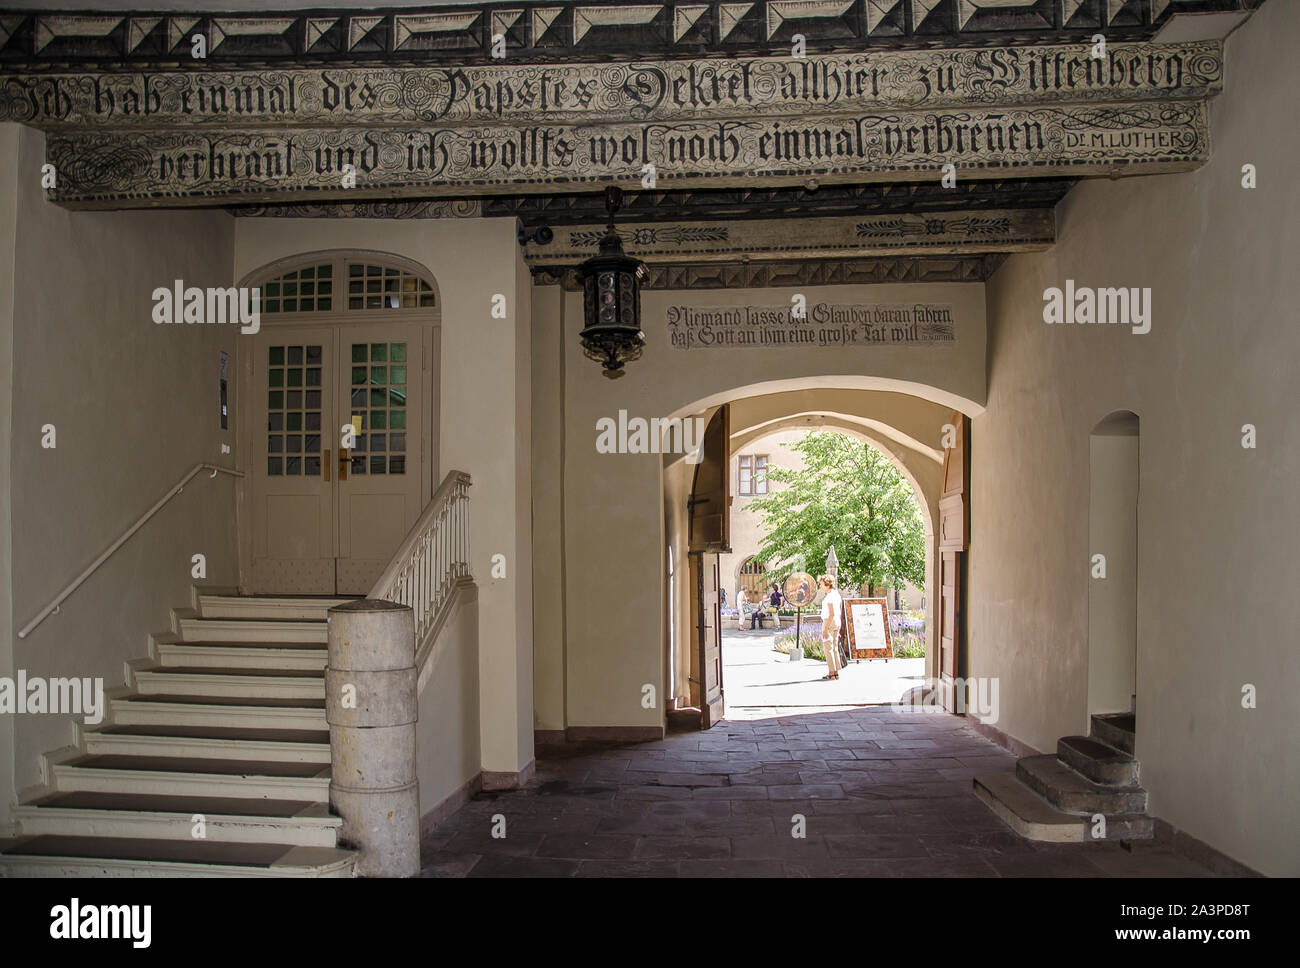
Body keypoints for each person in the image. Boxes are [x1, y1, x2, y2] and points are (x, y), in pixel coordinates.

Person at [818, 575, 843, 680]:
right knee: (834, 648)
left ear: (827, 584)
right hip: (837, 622)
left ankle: (831, 672)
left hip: (829, 622)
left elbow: (831, 614)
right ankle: (836, 672)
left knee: (828, 648)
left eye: (821, 584)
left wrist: (825, 629)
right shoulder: (836, 594)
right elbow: (839, 611)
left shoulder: (829, 597)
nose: (820, 586)